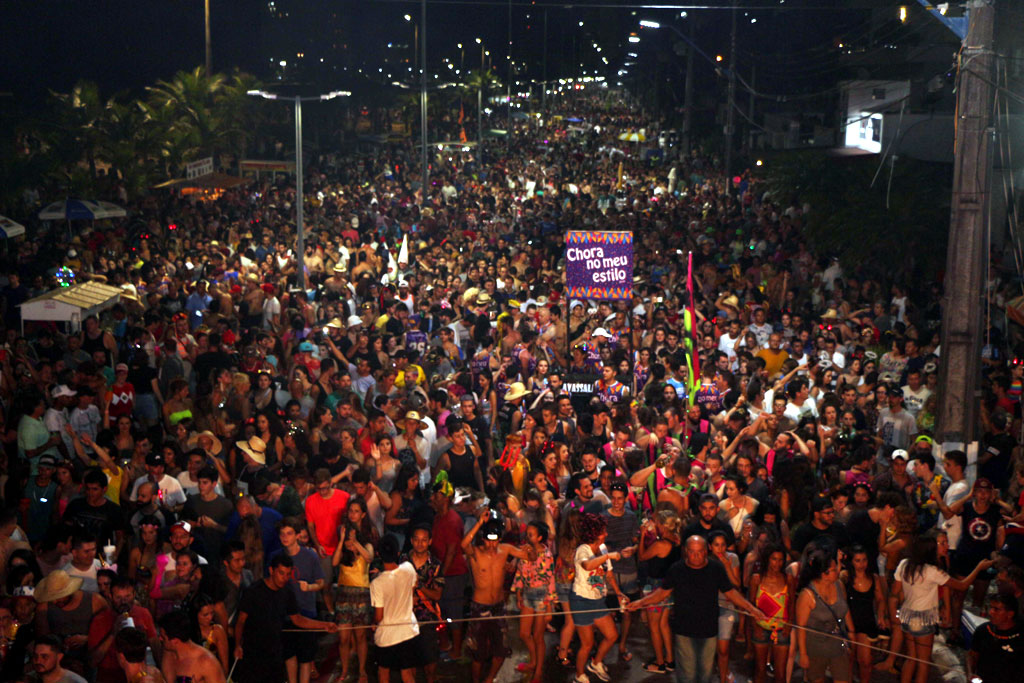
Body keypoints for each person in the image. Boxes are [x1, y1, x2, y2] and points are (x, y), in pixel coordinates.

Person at [629, 535, 765, 683]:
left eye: (699, 551)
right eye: (692, 552)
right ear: (686, 551)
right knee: (687, 674)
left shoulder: (716, 568)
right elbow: (662, 592)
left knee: (705, 673)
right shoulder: (677, 569)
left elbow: (731, 592)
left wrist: (751, 609)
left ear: (706, 551)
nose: (696, 556)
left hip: (709, 630)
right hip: (684, 630)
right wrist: (641, 602)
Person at [889, 533, 993, 683]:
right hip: (924, 618)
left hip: (907, 615)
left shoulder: (905, 564)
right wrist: (978, 568)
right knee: (924, 662)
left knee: (910, 658)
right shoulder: (932, 571)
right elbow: (963, 585)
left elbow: (894, 592)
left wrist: (892, 613)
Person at [233, 552, 339, 682]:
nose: (284, 578)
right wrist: (238, 645)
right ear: (271, 570)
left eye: (288, 574)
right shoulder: (254, 592)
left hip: (275, 652)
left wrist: (324, 625)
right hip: (254, 653)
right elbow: (240, 621)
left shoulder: (287, 593)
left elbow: (298, 619)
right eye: (281, 573)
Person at [461, 507, 532, 683]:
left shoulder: (505, 550)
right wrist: (479, 523)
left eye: (495, 541)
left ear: (500, 539)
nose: (492, 545)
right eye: (488, 541)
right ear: (483, 539)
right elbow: (463, 545)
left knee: (501, 650)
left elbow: (529, 556)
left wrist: (527, 550)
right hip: (480, 607)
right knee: (478, 654)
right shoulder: (476, 553)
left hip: (499, 607)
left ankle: (489, 679)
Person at [568, 513, 629, 683]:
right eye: (603, 531)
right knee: (587, 644)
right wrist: (608, 556)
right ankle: (580, 675)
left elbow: (609, 575)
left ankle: (596, 663)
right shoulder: (583, 550)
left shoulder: (602, 549)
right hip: (581, 600)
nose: (606, 534)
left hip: (597, 599)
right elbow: (587, 565)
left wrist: (618, 593)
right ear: (594, 533)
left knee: (612, 635)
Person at [271, 517, 326, 683]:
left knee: (306, 657)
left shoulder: (310, 556)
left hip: (306, 611)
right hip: (284, 613)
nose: (285, 537)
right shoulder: (276, 556)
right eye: (282, 534)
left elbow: (321, 582)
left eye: (289, 533)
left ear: (297, 535)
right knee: (289, 655)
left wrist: (309, 587)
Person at [795, 549, 853, 683]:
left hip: (838, 645)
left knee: (843, 678)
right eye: (833, 570)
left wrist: (851, 631)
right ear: (824, 574)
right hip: (816, 648)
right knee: (817, 679)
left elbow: (845, 609)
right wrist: (803, 654)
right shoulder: (807, 596)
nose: (837, 572)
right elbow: (801, 627)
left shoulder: (839, 585)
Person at [370, 535, 422, 683]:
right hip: (408, 630)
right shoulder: (409, 568)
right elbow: (410, 595)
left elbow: (379, 616)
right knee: (407, 673)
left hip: (387, 636)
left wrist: (374, 623)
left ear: (379, 554)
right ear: (398, 553)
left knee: (383, 672)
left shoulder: (377, 583)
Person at [88, 575, 160, 683]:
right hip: (109, 678)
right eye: (118, 598)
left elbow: (155, 646)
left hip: (138, 676)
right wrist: (113, 632)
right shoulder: (100, 620)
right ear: (110, 596)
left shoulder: (143, 614)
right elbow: (93, 661)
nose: (123, 602)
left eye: (127, 597)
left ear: (134, 595)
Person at [511, 520, 555, 683]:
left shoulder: (547, 554)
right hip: (528, 594)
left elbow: (550, 579)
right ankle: (534, 661)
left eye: (531, 534)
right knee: (524, 633)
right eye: (527, 533)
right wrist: (518, 594)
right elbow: (520, 572)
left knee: (538, 636)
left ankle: (538, 670)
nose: (527, 537)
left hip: (542, 595)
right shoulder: (524, 551)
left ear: (540, 537)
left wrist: (550, 605)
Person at [748, 543, 792, 683]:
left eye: (780, 560)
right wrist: (755, 627)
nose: (777, 563)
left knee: (780, 674)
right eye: (774, 559)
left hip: (781, 629)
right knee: (760, 671)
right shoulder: (757, 579)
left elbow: (792, 603)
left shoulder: (788, 579)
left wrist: (789, 624)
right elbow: (750, 605)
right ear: (767, 559)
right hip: (761, 627)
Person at [967, 591, 1024, 680]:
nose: (991, 612)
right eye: (991, 608)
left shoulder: (1020, 636)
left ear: (1010, 614)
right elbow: (972, 655)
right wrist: (970, 673)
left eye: (996, 609)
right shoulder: (983, 630)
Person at [159, 609, 225, 683]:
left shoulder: (206, 662)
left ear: (175, 640)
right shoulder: (168, 653)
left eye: (163, 637)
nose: (160, 639)